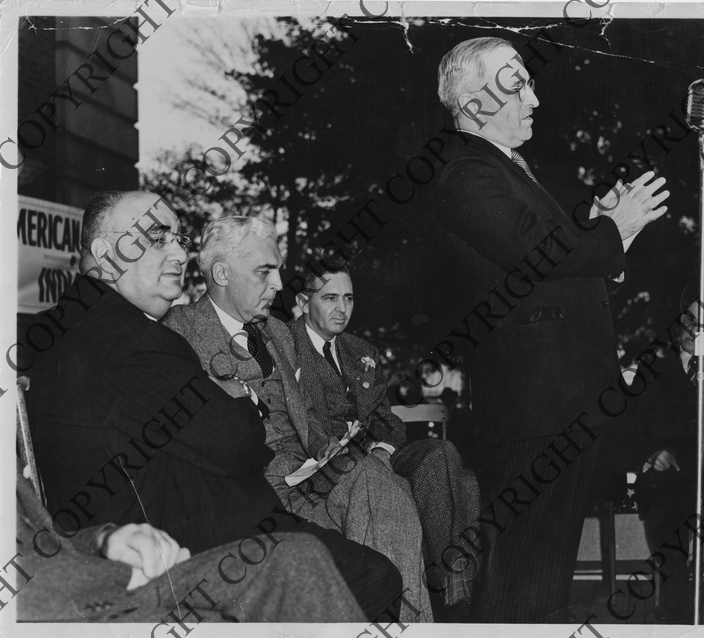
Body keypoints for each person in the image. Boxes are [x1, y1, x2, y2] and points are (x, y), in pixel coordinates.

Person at [26, 191, 402, 621]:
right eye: (157, 237)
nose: (179, 254)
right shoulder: (133, 339)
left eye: (179, 240)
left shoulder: (58, 329)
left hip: (150, 532)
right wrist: (239, 400)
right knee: (378, 578)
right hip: (191, 548)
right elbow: (238, 444)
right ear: (104, 253)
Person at [432, 37, 670, 622]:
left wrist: (600, 228)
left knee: (540, 585)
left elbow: (547, 269)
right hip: (534, 414)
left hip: (558, 407)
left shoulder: (502, 167)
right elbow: (535, 251)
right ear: (472, 103)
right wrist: (611, 230)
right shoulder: (462, 168)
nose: (534, 99)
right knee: (523, 590)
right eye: (516, 85)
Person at [162, 215, 432, 622]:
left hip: (309, 470)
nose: (277, 284)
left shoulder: (277, 333)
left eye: (278, 271)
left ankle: (409, 626)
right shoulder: (179, 331)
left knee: (382, 483)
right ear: (221, 273)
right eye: (264, 271)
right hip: (251, 487)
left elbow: (301, 412)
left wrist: (327, 447)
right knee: (369, 520)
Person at [290, 261, 482, 615]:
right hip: (327, 467)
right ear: (303, 303)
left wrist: (382, 449)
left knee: (440, 453)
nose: (342, 308)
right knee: (380, 483)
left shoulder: (359, 351)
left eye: (349, 298)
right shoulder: (287, 348)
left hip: (374, 456)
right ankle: (422, 604)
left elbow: (387, 420)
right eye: (330, 298)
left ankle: (453, 574)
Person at [14, 458, 367, 622]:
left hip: (79, 577)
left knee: (296, 556)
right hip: (65, 609)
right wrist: (113, 576)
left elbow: (35, 540)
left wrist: (105, 539)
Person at [632, 295, 704, 623]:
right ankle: (673, 614)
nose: (694, 330)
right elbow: (632, 423)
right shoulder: (654, 366)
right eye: (690, 321)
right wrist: (652, 453)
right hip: (670, 475)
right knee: (669, 535)